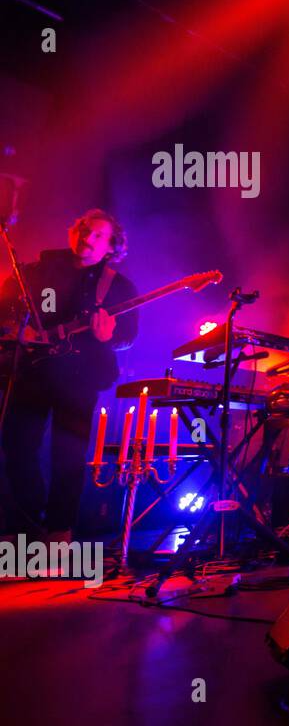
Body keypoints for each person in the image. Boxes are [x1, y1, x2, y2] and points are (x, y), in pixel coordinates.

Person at [0, 209, 137, 539]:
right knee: (15, 446)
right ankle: (26, 523)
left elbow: (128, 336)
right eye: (85, 231)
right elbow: (5, 309)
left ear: (112, 247)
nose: (88, 239)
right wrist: (15, 329)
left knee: (68, 456)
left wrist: (108, 337)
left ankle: (59, 530)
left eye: (99, 236)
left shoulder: (118, 286)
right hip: (31, 371)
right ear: (74, 232)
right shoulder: (37, 271)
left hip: (79, 376)